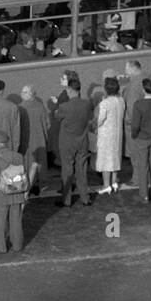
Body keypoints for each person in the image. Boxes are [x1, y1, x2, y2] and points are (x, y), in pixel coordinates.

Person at [52, 75, 93, 206]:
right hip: (82, 141)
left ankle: (67, 200)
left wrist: (56, 105)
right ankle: (85, 198)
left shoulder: (64, 107)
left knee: (67, 170)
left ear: (69, 90)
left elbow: (56, 116)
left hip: (67, 143)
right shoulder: (87, 104)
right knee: (82, 169)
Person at [129, 78, 151, 203]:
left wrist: (134, 135)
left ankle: (144, 195)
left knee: (143, 166)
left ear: (143, 90)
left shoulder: (138, 104)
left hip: (141, 138)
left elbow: (135, 125)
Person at [95, 76, 125, 194]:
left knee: (105, 159)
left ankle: (106, 185)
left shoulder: (105, 103)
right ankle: (114, 182)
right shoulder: (121, 100)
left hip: (106, 134)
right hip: (117, 133)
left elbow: (100, 119)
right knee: (115, 157)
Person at [19, 84, 50, 197]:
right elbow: (47, 124)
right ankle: (41, 185)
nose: (21, 94)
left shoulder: (21, 108)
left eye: (24, 92)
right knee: (40, 162)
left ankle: (28, 186)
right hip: (40, 139)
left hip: (26, 141)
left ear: (30, 93)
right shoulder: (41, 106)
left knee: (27, 164)